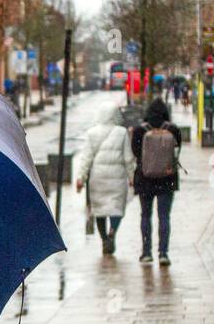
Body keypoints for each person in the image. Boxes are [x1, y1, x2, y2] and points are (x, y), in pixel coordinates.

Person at [131, 97, 181, 266]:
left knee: (145, 215)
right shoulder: (172, 129)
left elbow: (135, 152)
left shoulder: (140, 130)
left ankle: (146, 252)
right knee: (164, 216)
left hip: (145, 179)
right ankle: (163, 253)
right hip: (167, 180)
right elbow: (177, 150)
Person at [76, 104, 132, 256]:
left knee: (99, 211)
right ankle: (112, 231)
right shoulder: (122, 133)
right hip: (117, 178)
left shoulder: (92, 133)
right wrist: (132, 177)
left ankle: (104, 239)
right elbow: (128, 158)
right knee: (116, 208)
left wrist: (81, 178)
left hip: (97, 178)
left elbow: (86, 158)